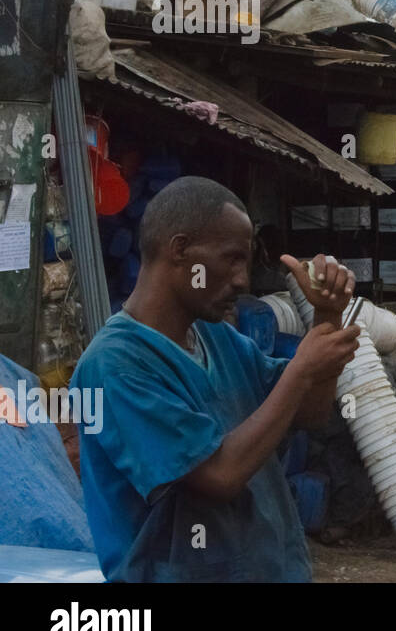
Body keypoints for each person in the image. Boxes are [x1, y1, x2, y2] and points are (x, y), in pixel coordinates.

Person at [72, 176, 361, 581]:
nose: (243, 280)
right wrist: (301, 369)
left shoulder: (216, 337)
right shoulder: (114, 366)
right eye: (231, 259)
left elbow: (309, 412)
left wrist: (326, 317)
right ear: (180, 250)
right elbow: (219, 475)